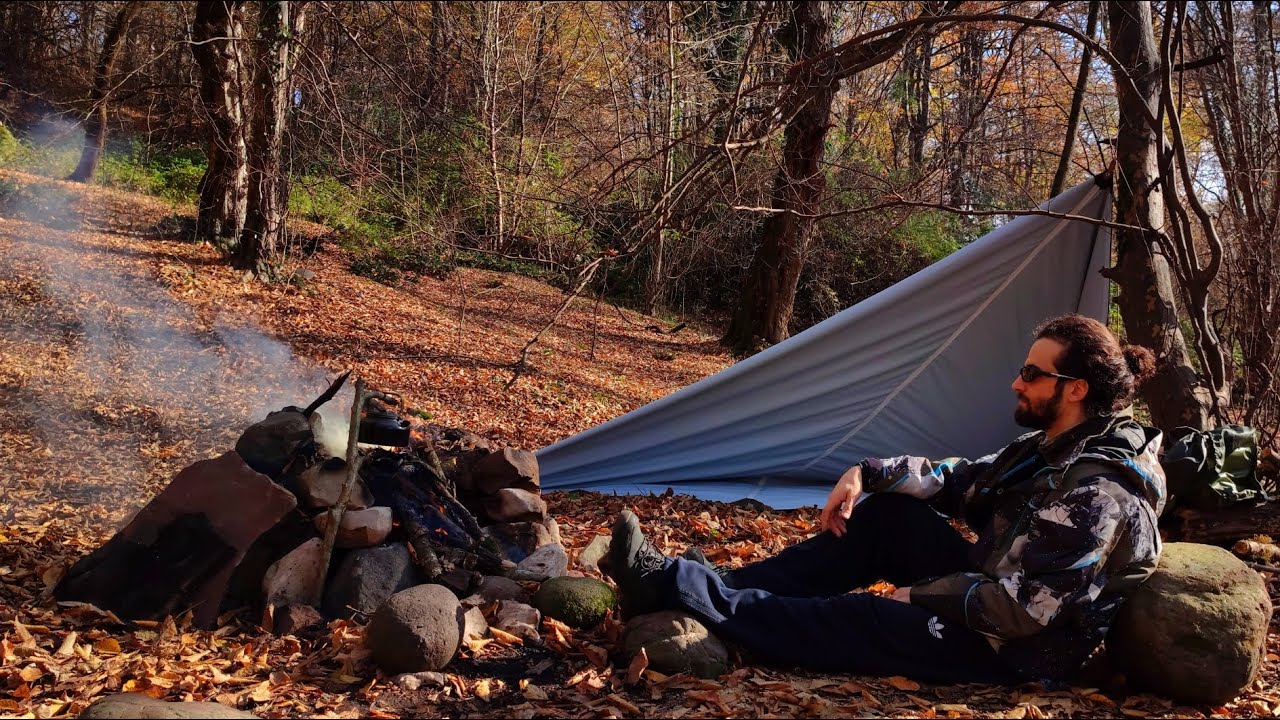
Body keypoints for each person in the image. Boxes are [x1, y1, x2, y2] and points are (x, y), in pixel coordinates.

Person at [605, 314, 1166, 684]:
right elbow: (961, 478)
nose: (1016, 383)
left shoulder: (1099, 492)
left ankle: (680, 588)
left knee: (861, 615)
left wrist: (925, 595)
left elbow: (1025, 612)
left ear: (1075, 390)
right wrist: (865, 473)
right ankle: (718, 589)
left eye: (1031, 374)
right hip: (994, 588)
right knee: (889, 517)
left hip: (1018, 647)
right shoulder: (1049, 448)